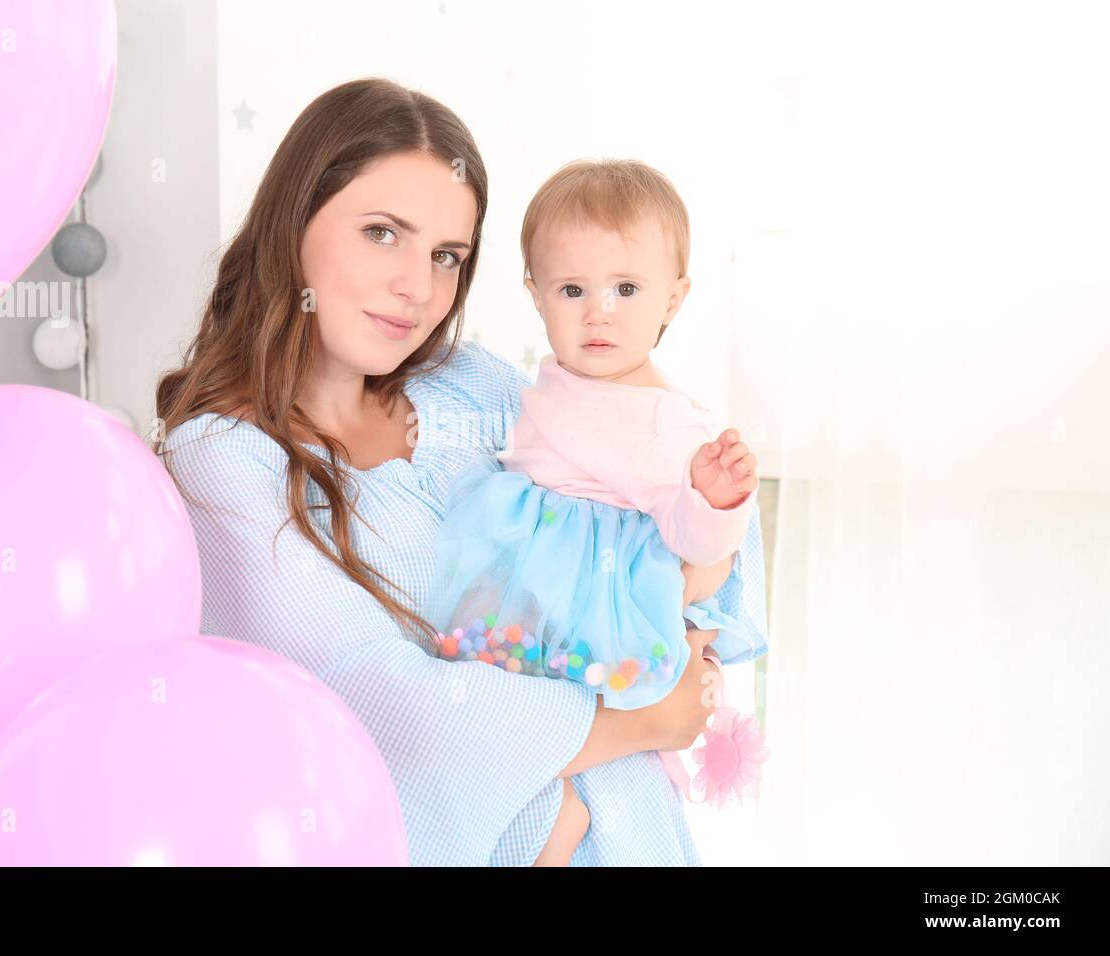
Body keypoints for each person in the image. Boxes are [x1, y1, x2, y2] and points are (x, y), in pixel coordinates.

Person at [155, 77, 768, 865]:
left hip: (644, 833)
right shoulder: (226, 461)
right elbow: (384, 702)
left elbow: (692, 488)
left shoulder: (469, 387)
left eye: (447, 255)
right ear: (294, 224)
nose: (418, 287)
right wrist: (639, 719)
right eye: (383, 233)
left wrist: (676, 610)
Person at [423, 158, 768, 715]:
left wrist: (712, 498)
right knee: (481, 688)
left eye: (626, 289)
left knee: (585, 703)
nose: (598, 313)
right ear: (538, 298)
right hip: (522, 584)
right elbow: (514, 441)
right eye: (572, 290)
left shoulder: (671, 424)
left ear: (672, 300)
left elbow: (699, 549)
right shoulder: (540, 381)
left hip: (602, 595)